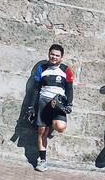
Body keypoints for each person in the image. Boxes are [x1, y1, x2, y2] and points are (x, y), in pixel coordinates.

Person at [27, 43, 74, 172]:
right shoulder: (41, 68)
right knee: (42, 132)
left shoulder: (66, 70)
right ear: (49, 54)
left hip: (58, 103)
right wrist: (31, 106)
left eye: (57, 55)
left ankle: (51, 122)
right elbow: (36, 89)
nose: (54, 57)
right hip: (43, 101)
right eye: (52, 54)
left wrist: (69, 104)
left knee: (60, 127)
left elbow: (69, 89)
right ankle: (42, 160)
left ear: (61, 57)